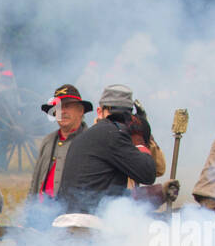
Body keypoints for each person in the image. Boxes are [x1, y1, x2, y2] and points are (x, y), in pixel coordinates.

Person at [55, 84, 157, 215]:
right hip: (91, 223)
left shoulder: (84, 137)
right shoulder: (113, 134)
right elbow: (148, 173)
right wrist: (139, 139)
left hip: (68, 218)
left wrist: (159, 193)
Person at [28, 84, 91, 205]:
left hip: (71, 214)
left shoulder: (90, 141)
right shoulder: (48, 140)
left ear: (80, 110)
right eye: (58, 107)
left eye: (67, 106)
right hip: (41, 212)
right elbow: (35, 181)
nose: (62, 111)